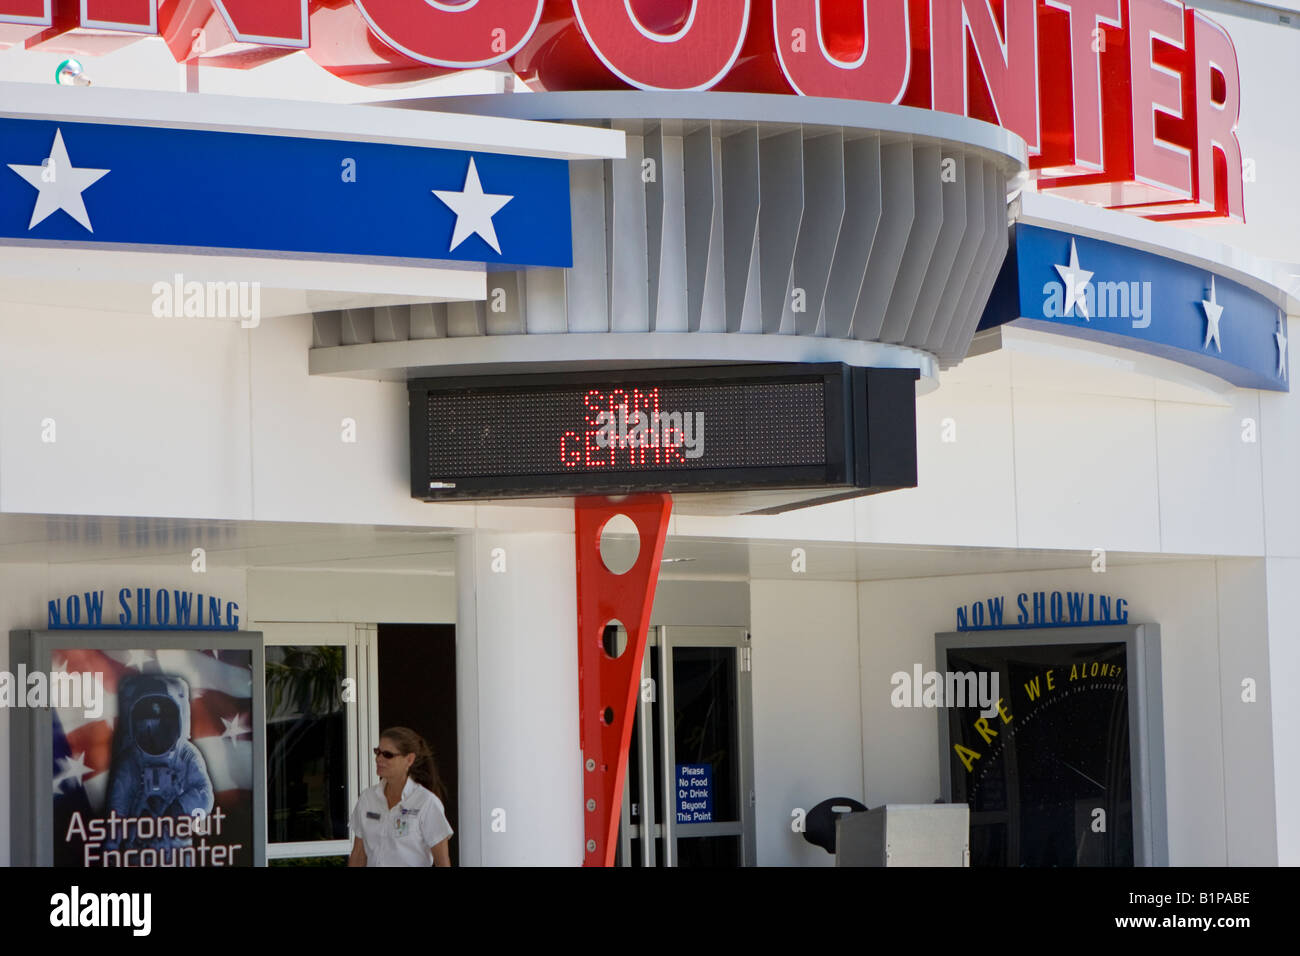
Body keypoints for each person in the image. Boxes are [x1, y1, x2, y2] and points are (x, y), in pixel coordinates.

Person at [348, 726, 453, 867]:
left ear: (409, 759)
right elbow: (358, 854)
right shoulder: (367, 799)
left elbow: (442, 862)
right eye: (377, 752)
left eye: (387, 755)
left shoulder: (426, 802)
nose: (379, 759)